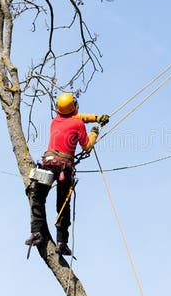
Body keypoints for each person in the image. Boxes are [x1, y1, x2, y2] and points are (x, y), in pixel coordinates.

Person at [25, 93, 110, 255]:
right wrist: (95, 130)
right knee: (62, 206)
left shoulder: (55, 121)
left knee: (38, 198)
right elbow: (86, 146)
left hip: (47, 164)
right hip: (64, 168)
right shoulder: (78, 124)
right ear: (74, 108)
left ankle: (36, 232)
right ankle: (61, 242)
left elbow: (76, 117)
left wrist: (96, 117)